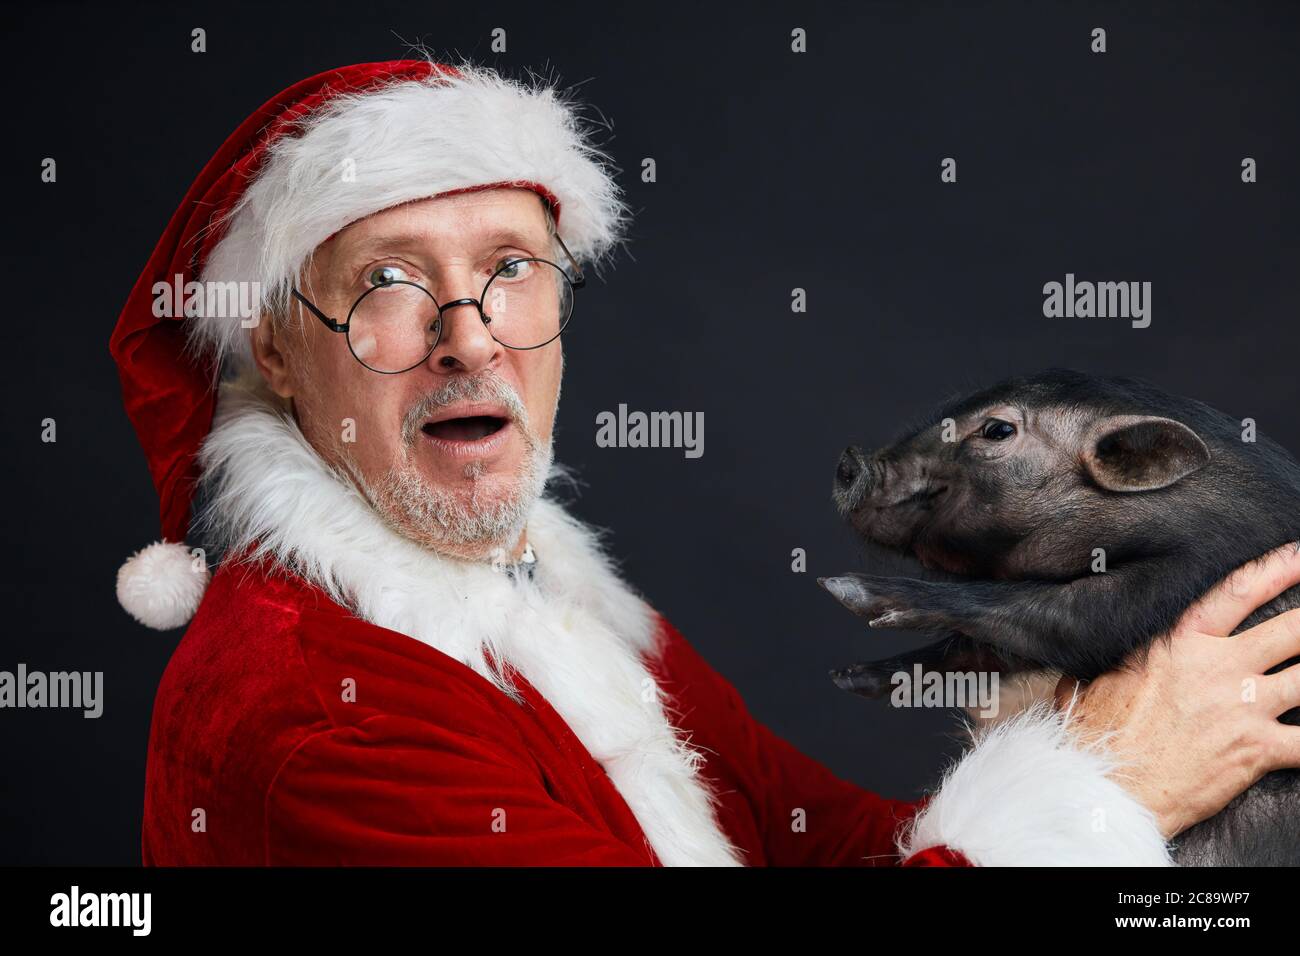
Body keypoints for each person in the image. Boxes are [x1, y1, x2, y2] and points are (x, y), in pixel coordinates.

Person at [111, 58, 1300, 866]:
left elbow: (834, 849)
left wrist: (1095, 726)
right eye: (388, 280)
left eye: (512, 267)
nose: (469, 336)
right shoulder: (319, 713)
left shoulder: (566, 612)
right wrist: (1121, 786)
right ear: (274, 340)